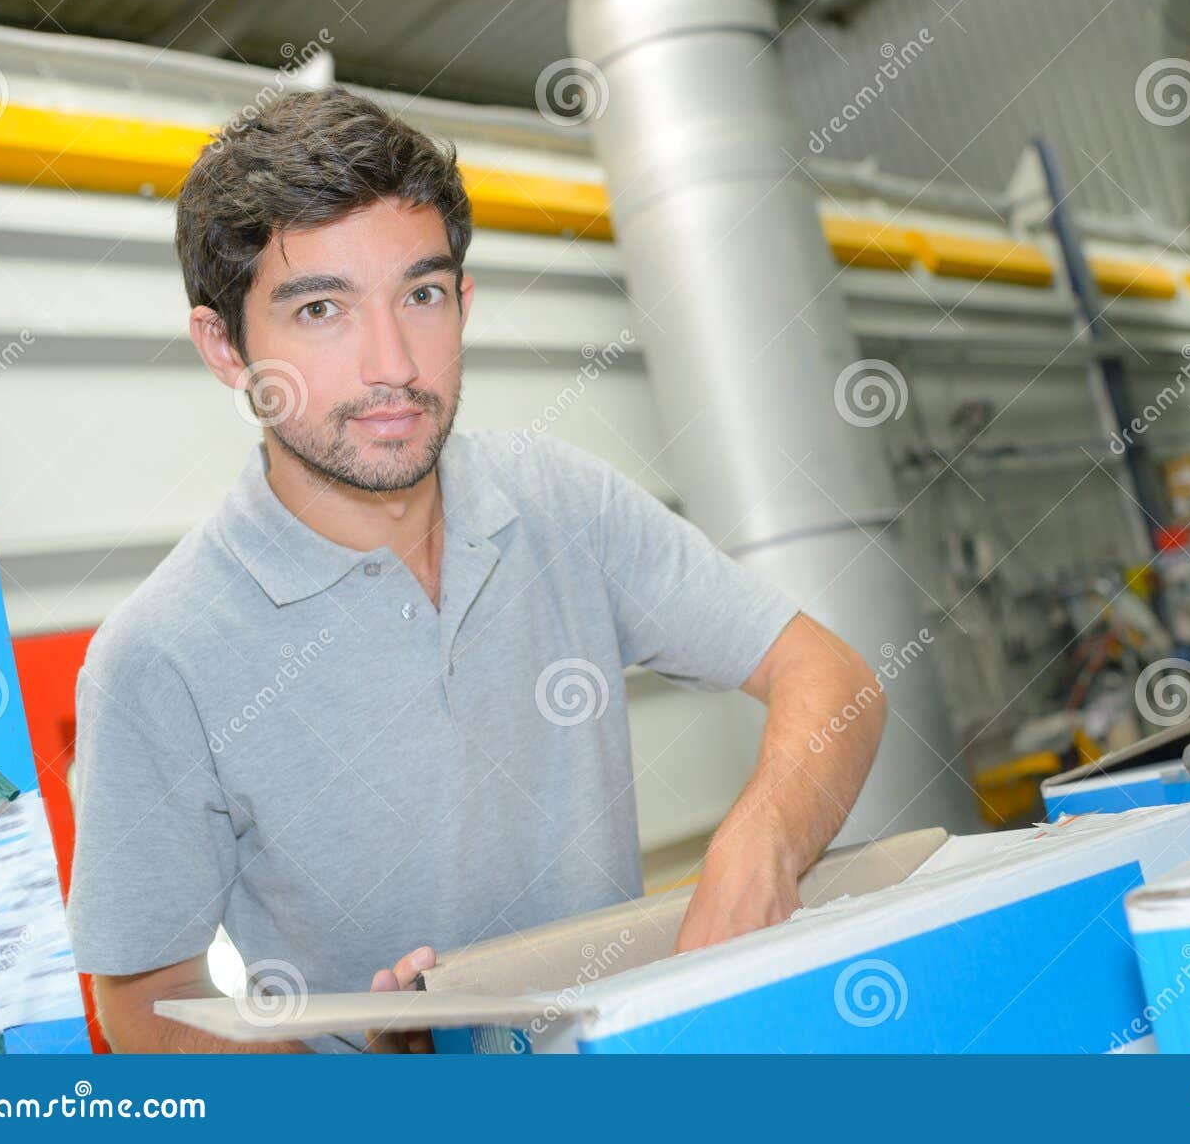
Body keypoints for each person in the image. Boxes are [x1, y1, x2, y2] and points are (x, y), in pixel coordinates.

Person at [66, 87, 886, 1053]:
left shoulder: (563, 502)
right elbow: (147, 998)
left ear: (463, 301)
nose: (394, 364)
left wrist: (761, 845)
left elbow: (833, 679)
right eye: (322, 308)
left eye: (422, 295)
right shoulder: (158, 656)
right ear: (225, 347)